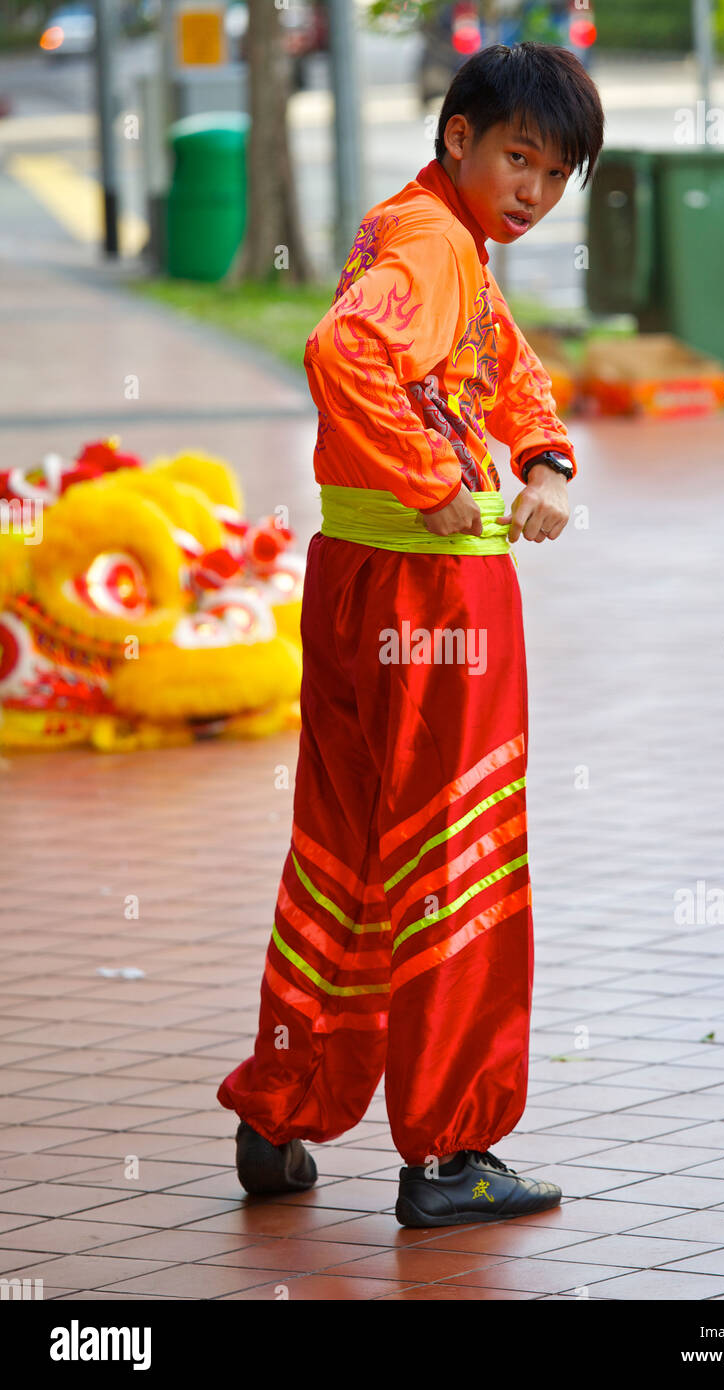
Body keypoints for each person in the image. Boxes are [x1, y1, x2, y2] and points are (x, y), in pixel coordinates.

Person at [217, 41, 605, 1228]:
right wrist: (438, 473)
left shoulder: (423, 229)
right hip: (435, 598)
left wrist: (538, 455)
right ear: (459, 142)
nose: (531, 191)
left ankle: (281, 1105)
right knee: (458, 857)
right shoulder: (440, 243)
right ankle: (447, 1153)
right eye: (517, 158)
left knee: (339, 849)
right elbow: (346, 353)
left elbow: (496, 365)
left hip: (348, 578)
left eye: (553, 173)